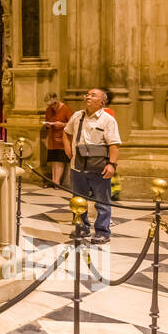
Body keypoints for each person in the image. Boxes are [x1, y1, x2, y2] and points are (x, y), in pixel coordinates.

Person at [63, 88, 121, 243]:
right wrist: (67, 147)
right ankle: (81, 227)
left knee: (102, 201)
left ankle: (102, 231)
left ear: (102, 101)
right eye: (87, 94)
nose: (88, 96)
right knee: (78, 200)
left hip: (98, 166)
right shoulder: (77, 115)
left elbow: (114, 144)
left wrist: (112, 164)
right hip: (78, 165)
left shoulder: (108, 119)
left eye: (93, 95)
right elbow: (66, 132)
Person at [42, 91, 73, 185]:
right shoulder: (49, 109)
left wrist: (62, 124)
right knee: (54, 160)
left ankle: (57, 182)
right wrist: (47, 125)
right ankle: (54, 180)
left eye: (54, 104)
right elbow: (47, 120)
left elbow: (72, 124)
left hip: (62, 139)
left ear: (57, 100)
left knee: (60, 160)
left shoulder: (66, 109)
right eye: (50, 105)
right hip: (52, 139)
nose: (53, 107)